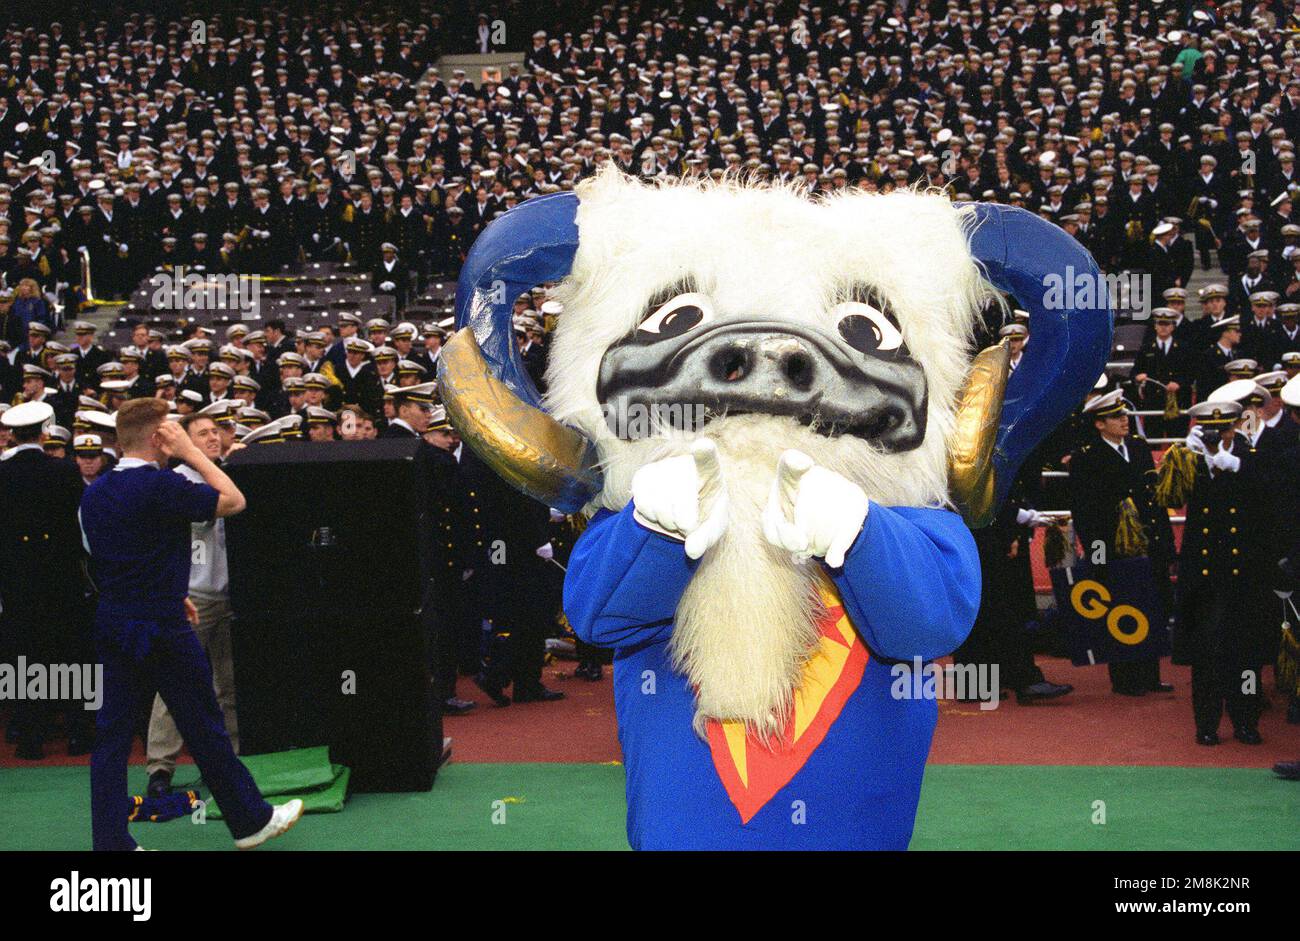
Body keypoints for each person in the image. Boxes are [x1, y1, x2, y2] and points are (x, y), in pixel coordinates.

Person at [78, 398, 303, 850]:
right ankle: (250, 821)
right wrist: (194, 453)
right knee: (204, 723)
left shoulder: (95, 491)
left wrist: (167, 588)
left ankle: (111, 843)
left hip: (117, 617)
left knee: (112, 735)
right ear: (160, 437)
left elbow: (103, 554)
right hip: (161, 625)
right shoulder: (162, 485)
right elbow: (234, 500)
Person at [144, 412, 241, 799]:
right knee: (175, 684)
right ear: (184, 441)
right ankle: (160, 767)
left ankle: (232, 758)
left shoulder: (226, 475)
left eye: (216, 432)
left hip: (228, 594)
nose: (213, 438)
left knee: (228, 686)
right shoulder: (179, 482)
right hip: (192, 597)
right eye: (203, 433)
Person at [1171, 400, 1269, 746]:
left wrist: (1234, 465)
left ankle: (1246, 720)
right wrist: (1187, 458)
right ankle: (1207, 723)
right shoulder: (1191, 459)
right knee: (1207, 656)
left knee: (1245, 657)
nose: (1218, 436)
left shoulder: (1252, 457)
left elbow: (1267, 496)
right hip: (1206, 576)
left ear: (1234, 428)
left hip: (1243, 575)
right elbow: (1169, 496)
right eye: (1212, 430)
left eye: (1224, 429)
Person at [1067, 389, 1174, 696]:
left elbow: (1154, 499)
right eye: (1116, 416)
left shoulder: (1138, 448)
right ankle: (1126, 678)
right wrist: (1097, 555)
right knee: (1122, 608)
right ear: (1099, 424)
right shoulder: (1086, 458)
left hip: (1146, 540)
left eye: (1124, 415)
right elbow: (1086, 513)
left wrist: (1164, 542)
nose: (1124, 420)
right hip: (1113, 546)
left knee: (1150, 605)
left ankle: (1150, 675)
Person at [0, 401, 89, 759]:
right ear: (44, 432)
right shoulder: (66, 471)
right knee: (71, 652)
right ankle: (79, 732)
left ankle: (29, 735)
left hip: (17, 577)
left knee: (23, 654)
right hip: (61, 575)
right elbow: (81, 526)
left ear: (11, 434)